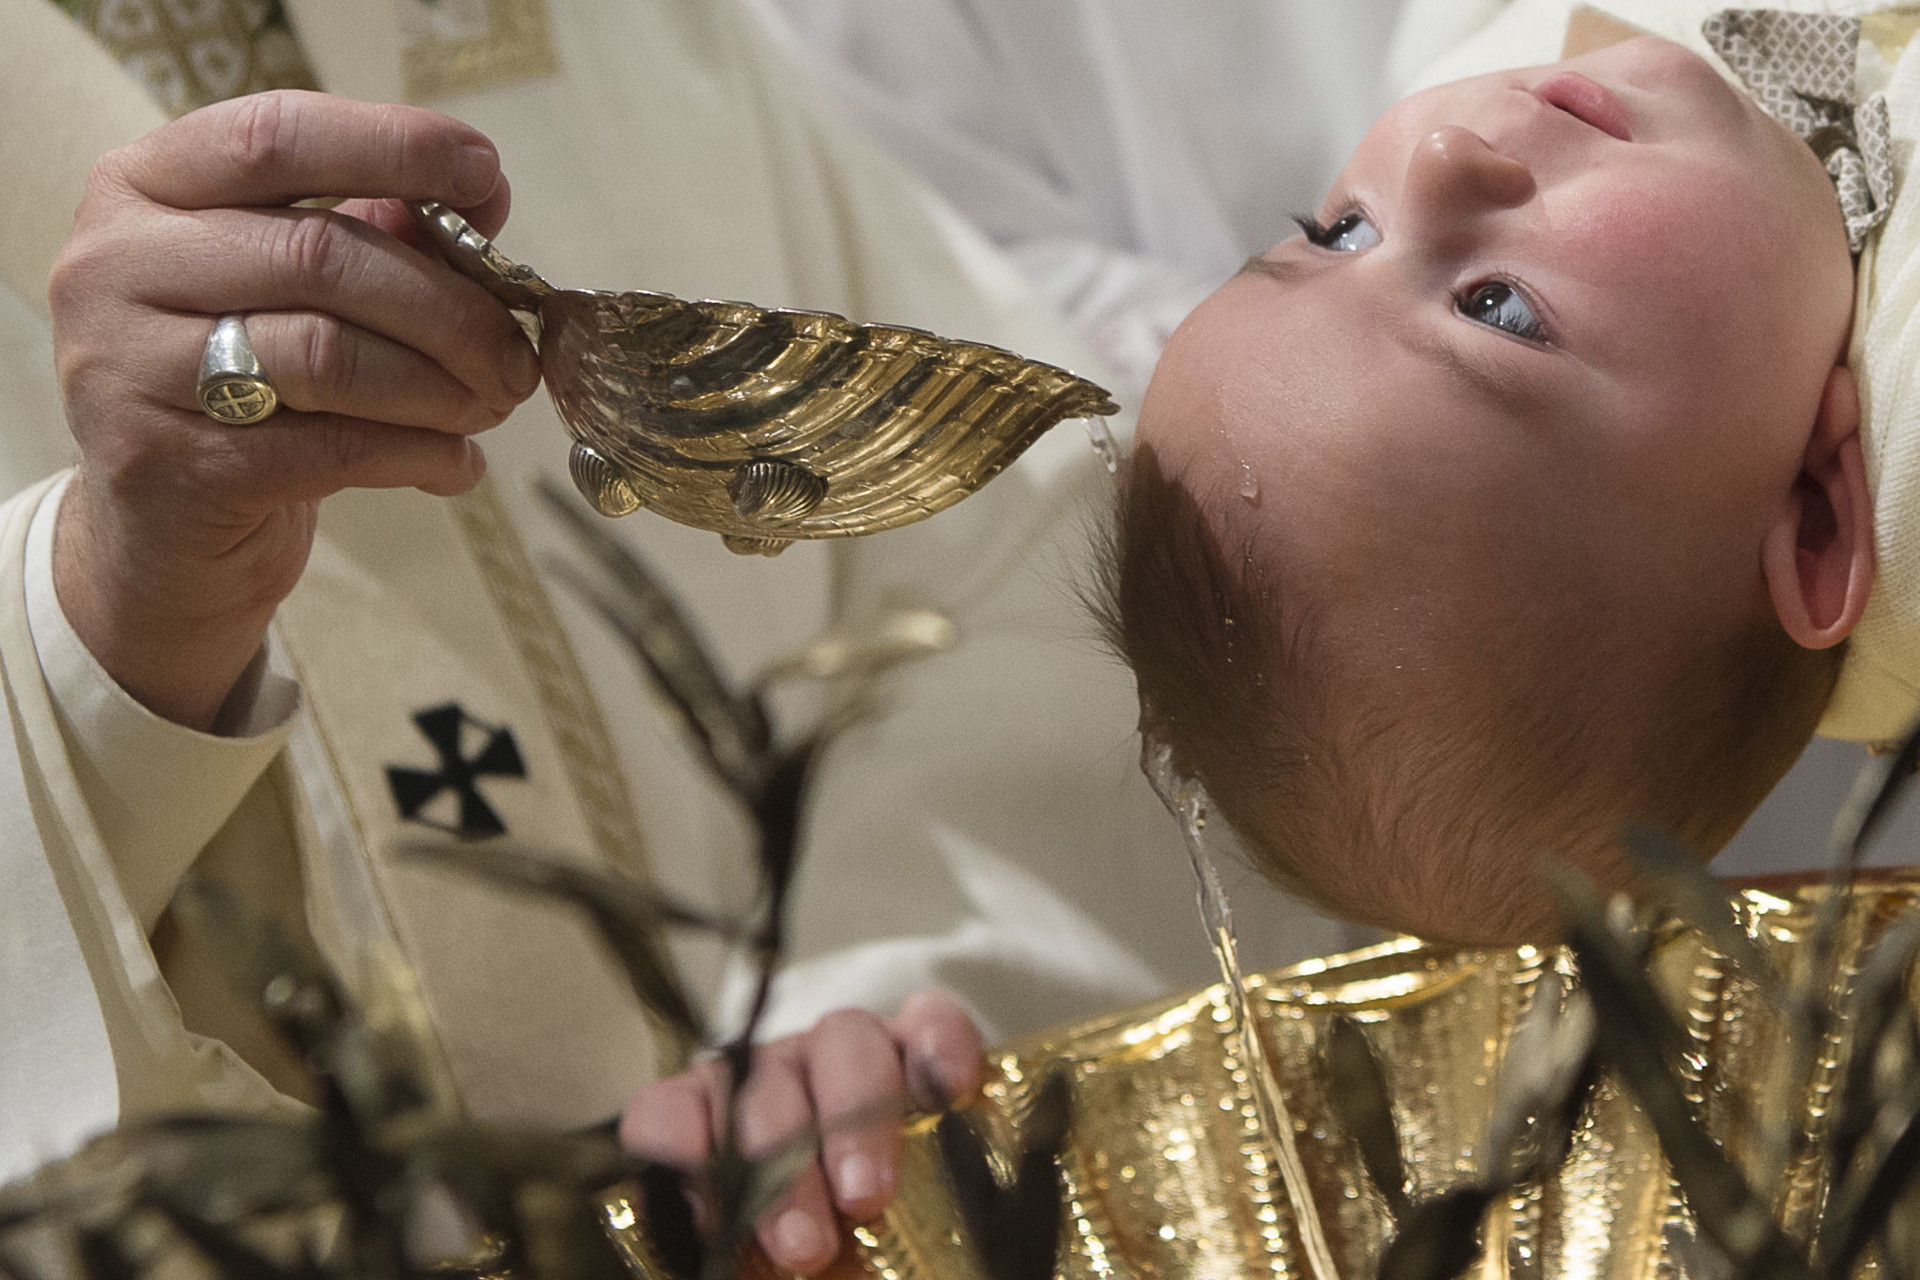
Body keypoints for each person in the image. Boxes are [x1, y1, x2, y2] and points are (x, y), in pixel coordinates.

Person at [615, 2, 1920, 1273]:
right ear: (1815, 520)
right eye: (1500, 312)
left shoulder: (1569, 112)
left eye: (1333, 226)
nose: (1437, 154)